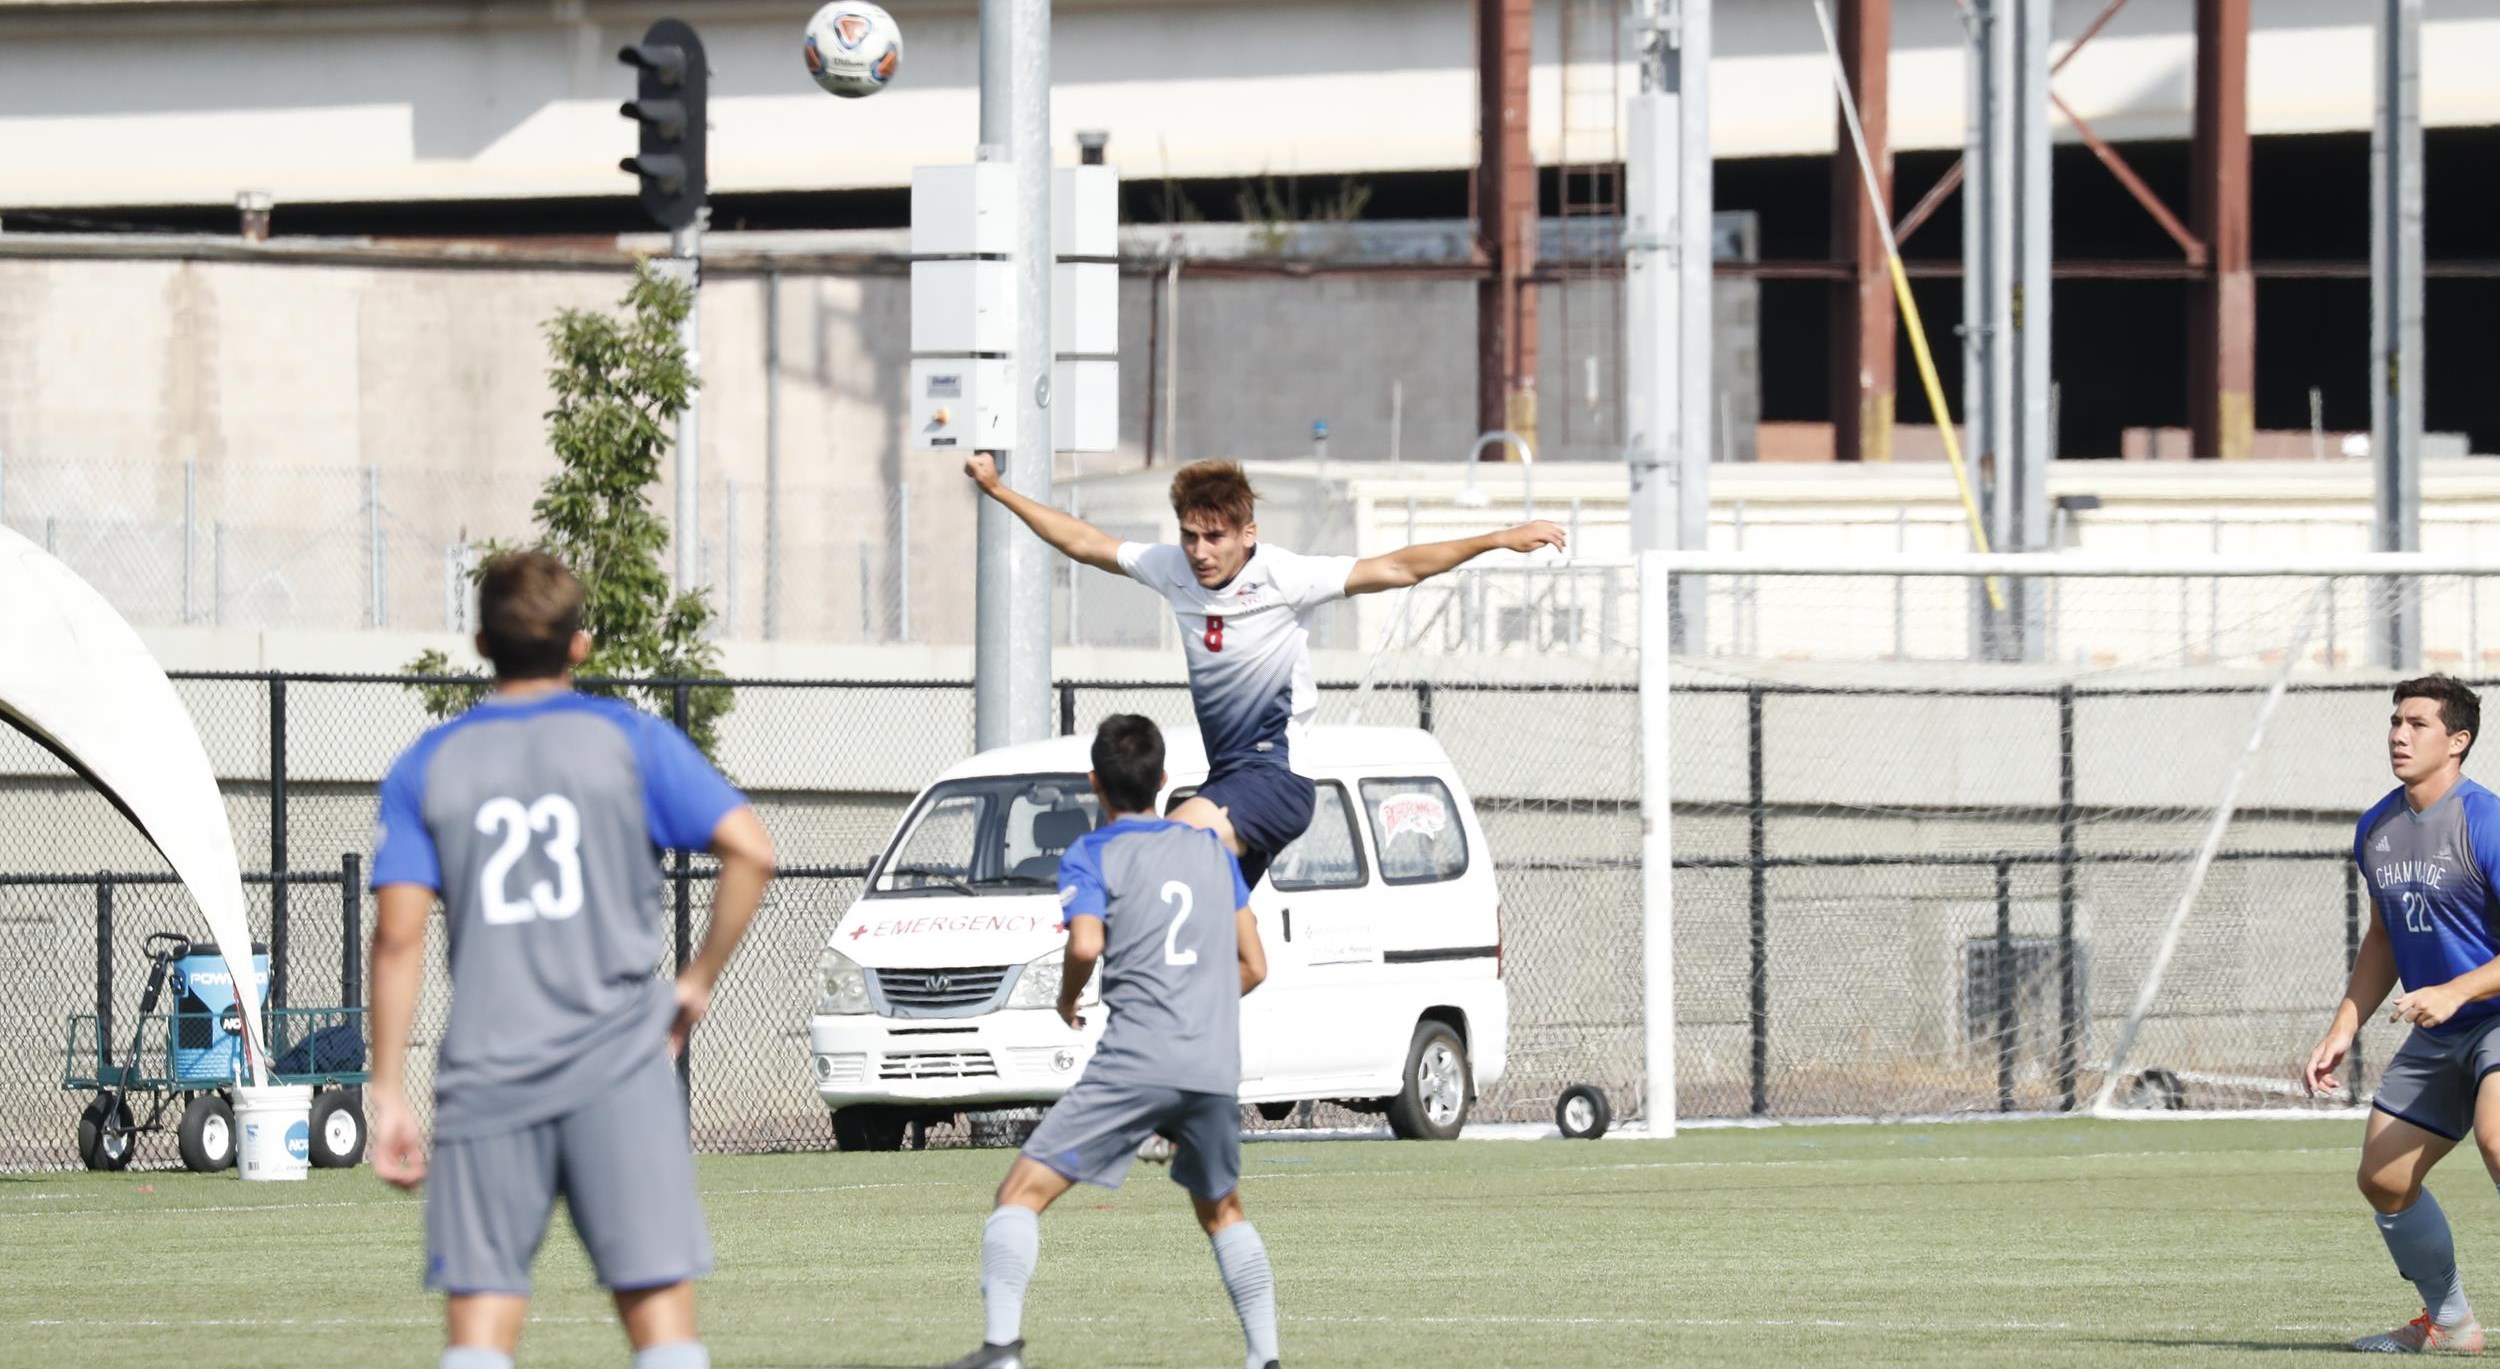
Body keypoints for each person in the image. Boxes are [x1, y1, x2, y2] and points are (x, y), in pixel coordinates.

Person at [366, 551, 777, 1369]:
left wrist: (388, 1090)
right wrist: (695, 981)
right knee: (661, 1322)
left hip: (489, 1074)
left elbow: (398, 938)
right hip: (619, 1067)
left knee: (480, 1329)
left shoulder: (428, 763)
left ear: (482, 644)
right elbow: (753, 851)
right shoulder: (632, 741)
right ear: (579, 645)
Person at [967, 454, 1562, 888]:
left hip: (1277, 779)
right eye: (1190, 536)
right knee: (1198, 929)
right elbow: (1083, 542)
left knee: (1158, 849)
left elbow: (1398, 567)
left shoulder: (1283, 577)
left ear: (1247, 533)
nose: (1200, 552)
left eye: (1214, 537)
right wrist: (998, 490)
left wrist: (1497, 538)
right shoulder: (1171, 568)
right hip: (1226, 779)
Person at [937, 714, 1276, 1369]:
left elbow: (1086, 943)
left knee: (1019, 1193)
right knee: (1223, 1210)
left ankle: (1001, 1351)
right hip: (1210, 1063)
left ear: (1095, 783)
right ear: (1164, 780)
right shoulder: (1212, 852)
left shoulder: (1092, 852)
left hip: (1136, 1060)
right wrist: (1195, 999)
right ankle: (1265, 1359)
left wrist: (1067, 998)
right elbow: (1254, 965)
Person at [2306, 674, 2500, 1354]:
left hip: (2494, 1017)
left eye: (2418, 724)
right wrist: (2343, 1026)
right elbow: (2384, 937)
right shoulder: (2377, 827)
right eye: (2395, 721)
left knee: (2498, 1138)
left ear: (2458, 741)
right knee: (2384, 1178)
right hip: (2440, 1027)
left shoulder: (2487, 822)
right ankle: (2450, 1323)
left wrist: (2457, 990)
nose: (2399, 734)